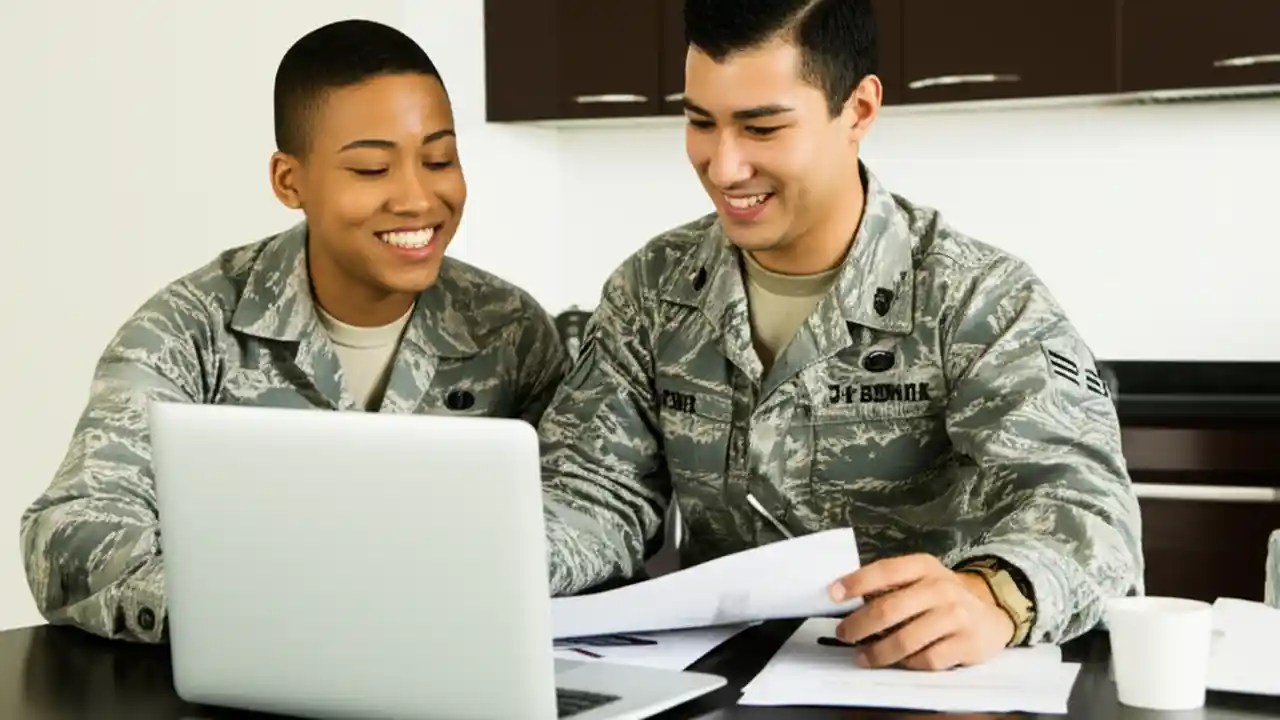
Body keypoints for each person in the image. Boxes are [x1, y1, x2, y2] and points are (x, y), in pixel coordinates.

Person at [538, 0, 1143, 671]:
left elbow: (1084, 506)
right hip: (713, 685)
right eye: (700, 122)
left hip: (916, 685)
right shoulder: (651, 291)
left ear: (857, 110)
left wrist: (993, 594)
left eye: (761, 128)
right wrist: (507, 562)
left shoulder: (976, 297)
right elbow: (592, 492)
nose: (723, 166)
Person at [20, 19, 568, 643]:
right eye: (370, 170)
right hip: (241, 684)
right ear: (290, 181)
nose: (418, 198)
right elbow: (70, 531)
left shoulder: (513, 332)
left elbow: (571, 515)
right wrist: (249, 611)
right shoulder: (188, 329)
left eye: (439, 159)